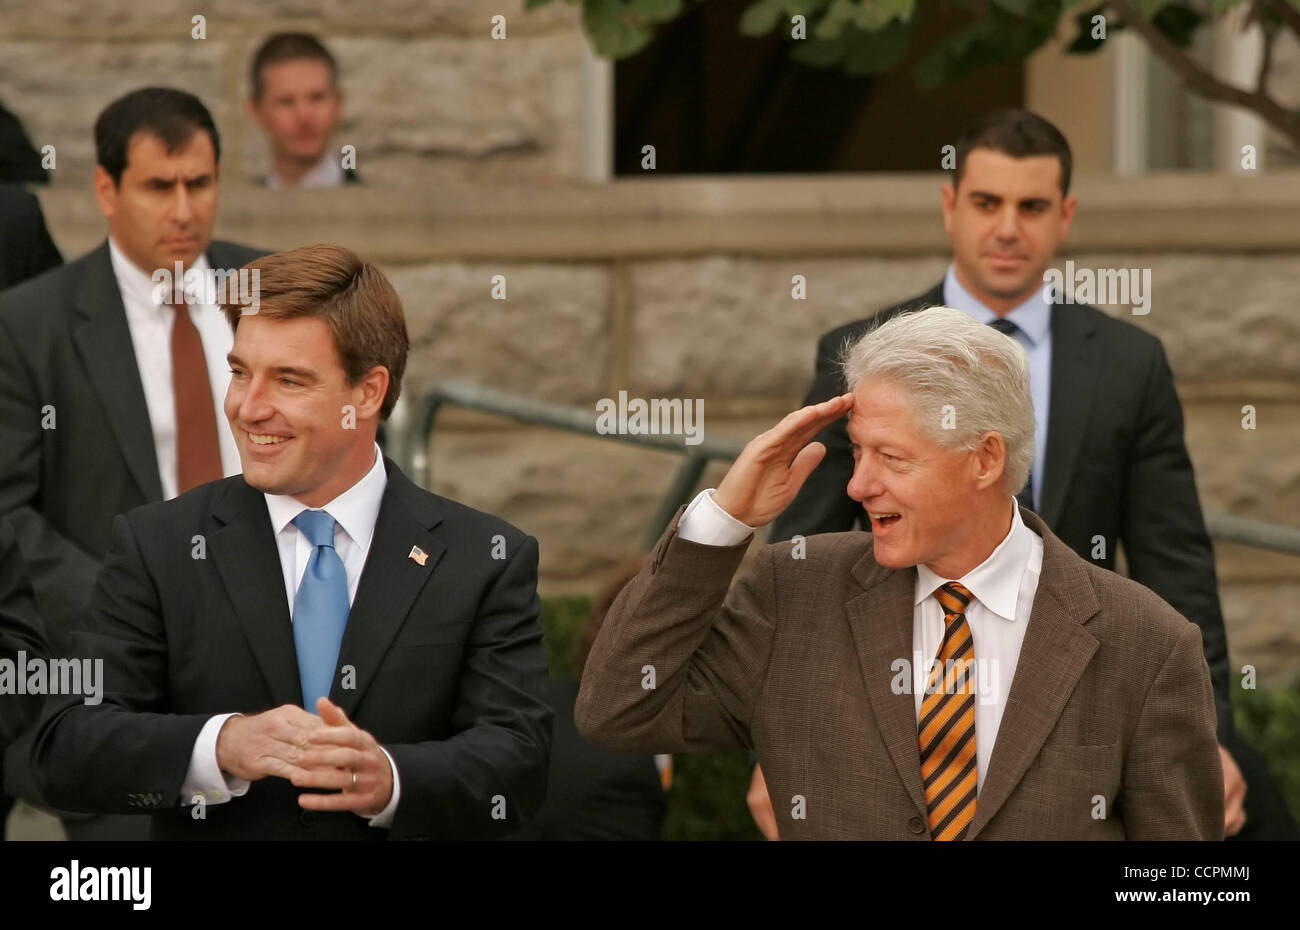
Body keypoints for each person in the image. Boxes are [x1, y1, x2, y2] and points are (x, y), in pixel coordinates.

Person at [761, 107, 1295, 841]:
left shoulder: (1127, 365)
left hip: (1082, 692)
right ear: (951, 206)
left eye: (1032, 207)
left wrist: (1211, 734)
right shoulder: (863, 356)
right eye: (987, 203)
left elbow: (1177, 562)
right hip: (908, 684)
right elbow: (800, 564)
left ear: (1065, 215)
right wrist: (777, 743)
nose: (1008, 228)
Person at [577, 307, 1223, 840]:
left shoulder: (1148, 644)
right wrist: (723, 519)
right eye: (857, 451)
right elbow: (617, 709)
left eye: (891, 456)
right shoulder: (791, 593)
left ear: (984, 459)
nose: (858, 484)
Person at [22, 244, 552, 839]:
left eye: (289, 381)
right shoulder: (160, 545)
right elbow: (66, 746)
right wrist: (220, 743)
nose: (248, 408)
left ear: (368, 394)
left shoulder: (485, 558)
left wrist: (392, 778)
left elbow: (520, 758)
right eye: (241, 372)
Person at [0, 87, 264, 840]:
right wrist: (144, 614)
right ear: (107, 190)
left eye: (200, 184)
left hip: (287, 670)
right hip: (119, 691)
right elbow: (9, 515)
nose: (184, 209)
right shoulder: (30, 324)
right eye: (159, 186)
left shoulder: (276, 291)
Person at [247, 33, 358, 188]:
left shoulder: (380, 209)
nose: (304, 116)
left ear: (338, 103)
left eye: (317, 98)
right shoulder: (230, 208)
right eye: (286, 101)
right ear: (256, 111)